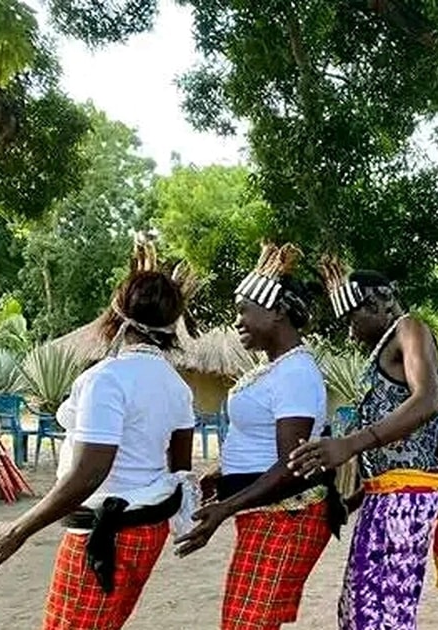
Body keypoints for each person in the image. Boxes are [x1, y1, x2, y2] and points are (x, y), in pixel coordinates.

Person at [0, 239, 196, 630]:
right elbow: (181, 468)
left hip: (106, 536)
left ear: (116, 318)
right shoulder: (176, 386)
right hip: (146, 533)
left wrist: (17, 530)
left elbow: (91, 473)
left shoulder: (105, 380)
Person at [288, 259, 438, 630]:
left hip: (407, 496)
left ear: (376, 305)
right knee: (360, 610)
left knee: (382, 615)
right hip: (386, 495)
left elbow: (428, 400)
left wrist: (351, 444)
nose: (351, 334)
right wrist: (353, 499)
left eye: (353, 320)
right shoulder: (388, 343)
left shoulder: (410, 328)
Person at [174, 243, 344, 629]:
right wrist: (224, 472)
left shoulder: (295, 374)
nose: (238, 321)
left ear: (278, 312)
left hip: (286, 516)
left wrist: (226, 508)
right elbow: (263, 439)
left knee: (245, 624)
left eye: (244, 310)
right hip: (267, 514)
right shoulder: (274, 369)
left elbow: (291, 465)